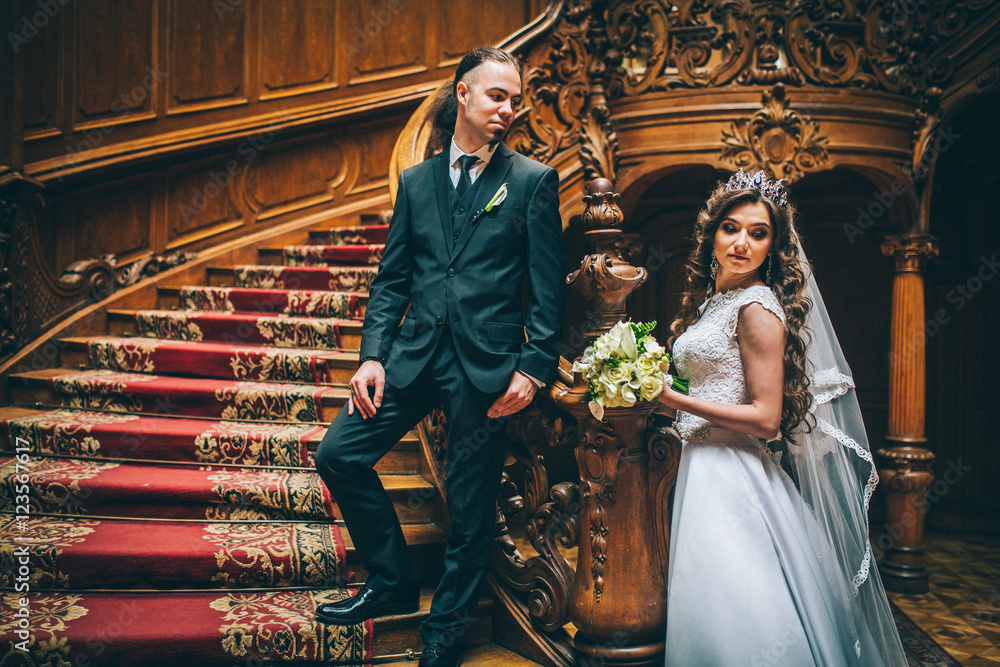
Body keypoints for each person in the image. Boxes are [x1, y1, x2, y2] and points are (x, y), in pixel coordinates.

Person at [313, 46, 566, 667]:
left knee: (471, 508)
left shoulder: (532, 182)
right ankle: (391, 578)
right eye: (496, 96)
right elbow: (393, 280)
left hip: (487, 369)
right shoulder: (417, 182)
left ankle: (444, 633)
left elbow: (548, 288)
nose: (509, 108)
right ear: (463, 95)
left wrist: (533, 367)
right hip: (413, 357)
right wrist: (372, 356)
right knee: (339, 455)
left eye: (515, 99)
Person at [656, 170, 907, 666]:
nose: (742, 243)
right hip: (698, 463)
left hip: (730, 474)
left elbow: (766, 418)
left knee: (736, 604)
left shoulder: (756, 305)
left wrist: (673, 401)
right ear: (712, 235)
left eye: (758, 232)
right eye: (731, 228)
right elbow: (710, 381)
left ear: (774, 246)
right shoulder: (714, 303)